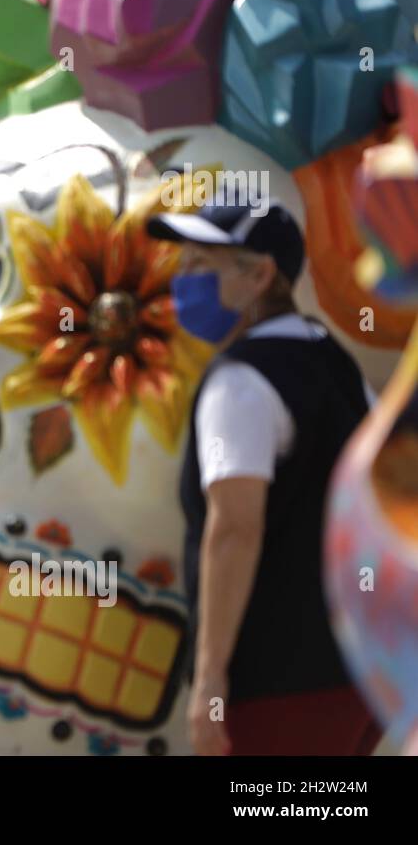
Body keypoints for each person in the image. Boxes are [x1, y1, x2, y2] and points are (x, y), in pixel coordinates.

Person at [147, 199, 381, 755]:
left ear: (260, 274)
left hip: (273, 690)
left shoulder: (240, 382)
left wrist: (209, 683)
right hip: (353, 680)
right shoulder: (336, 363)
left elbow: (234, 531)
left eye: (200, 265)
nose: (181, 281)